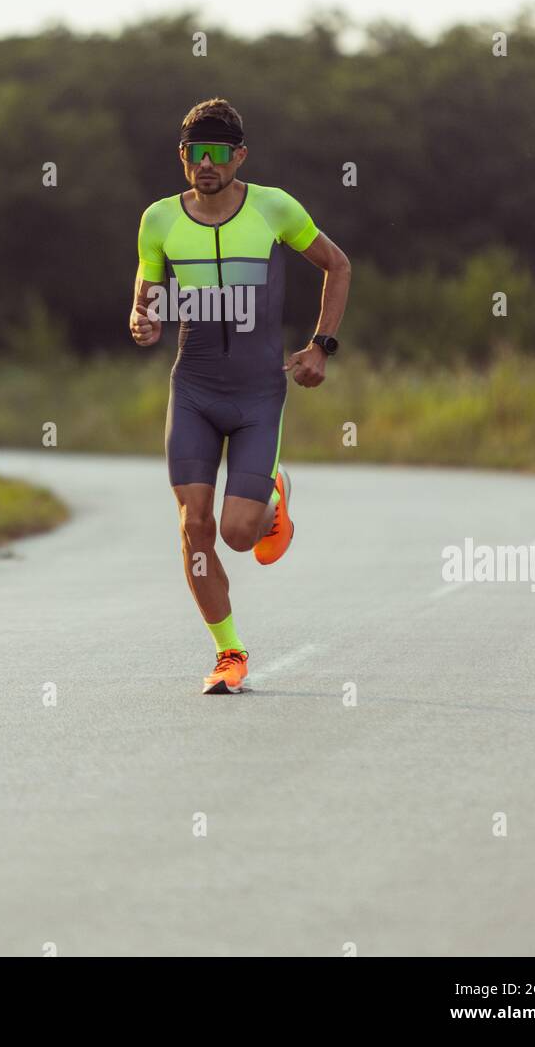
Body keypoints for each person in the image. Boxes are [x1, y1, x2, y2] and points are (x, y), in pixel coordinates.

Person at [130, 99, 351, 693]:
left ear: (239, 157)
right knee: (194, 524)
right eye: (196, 153)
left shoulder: (274, 207)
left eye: (219, 153)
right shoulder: (158, 219)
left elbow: (337, 264)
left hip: (258, 394)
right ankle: (229, 652)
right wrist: (143, 316)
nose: (207, 164)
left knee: (238, 535)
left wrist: (320, 346)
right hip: (194, 388)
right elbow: (148, 289)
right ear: (182, 158)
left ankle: (273, 495)